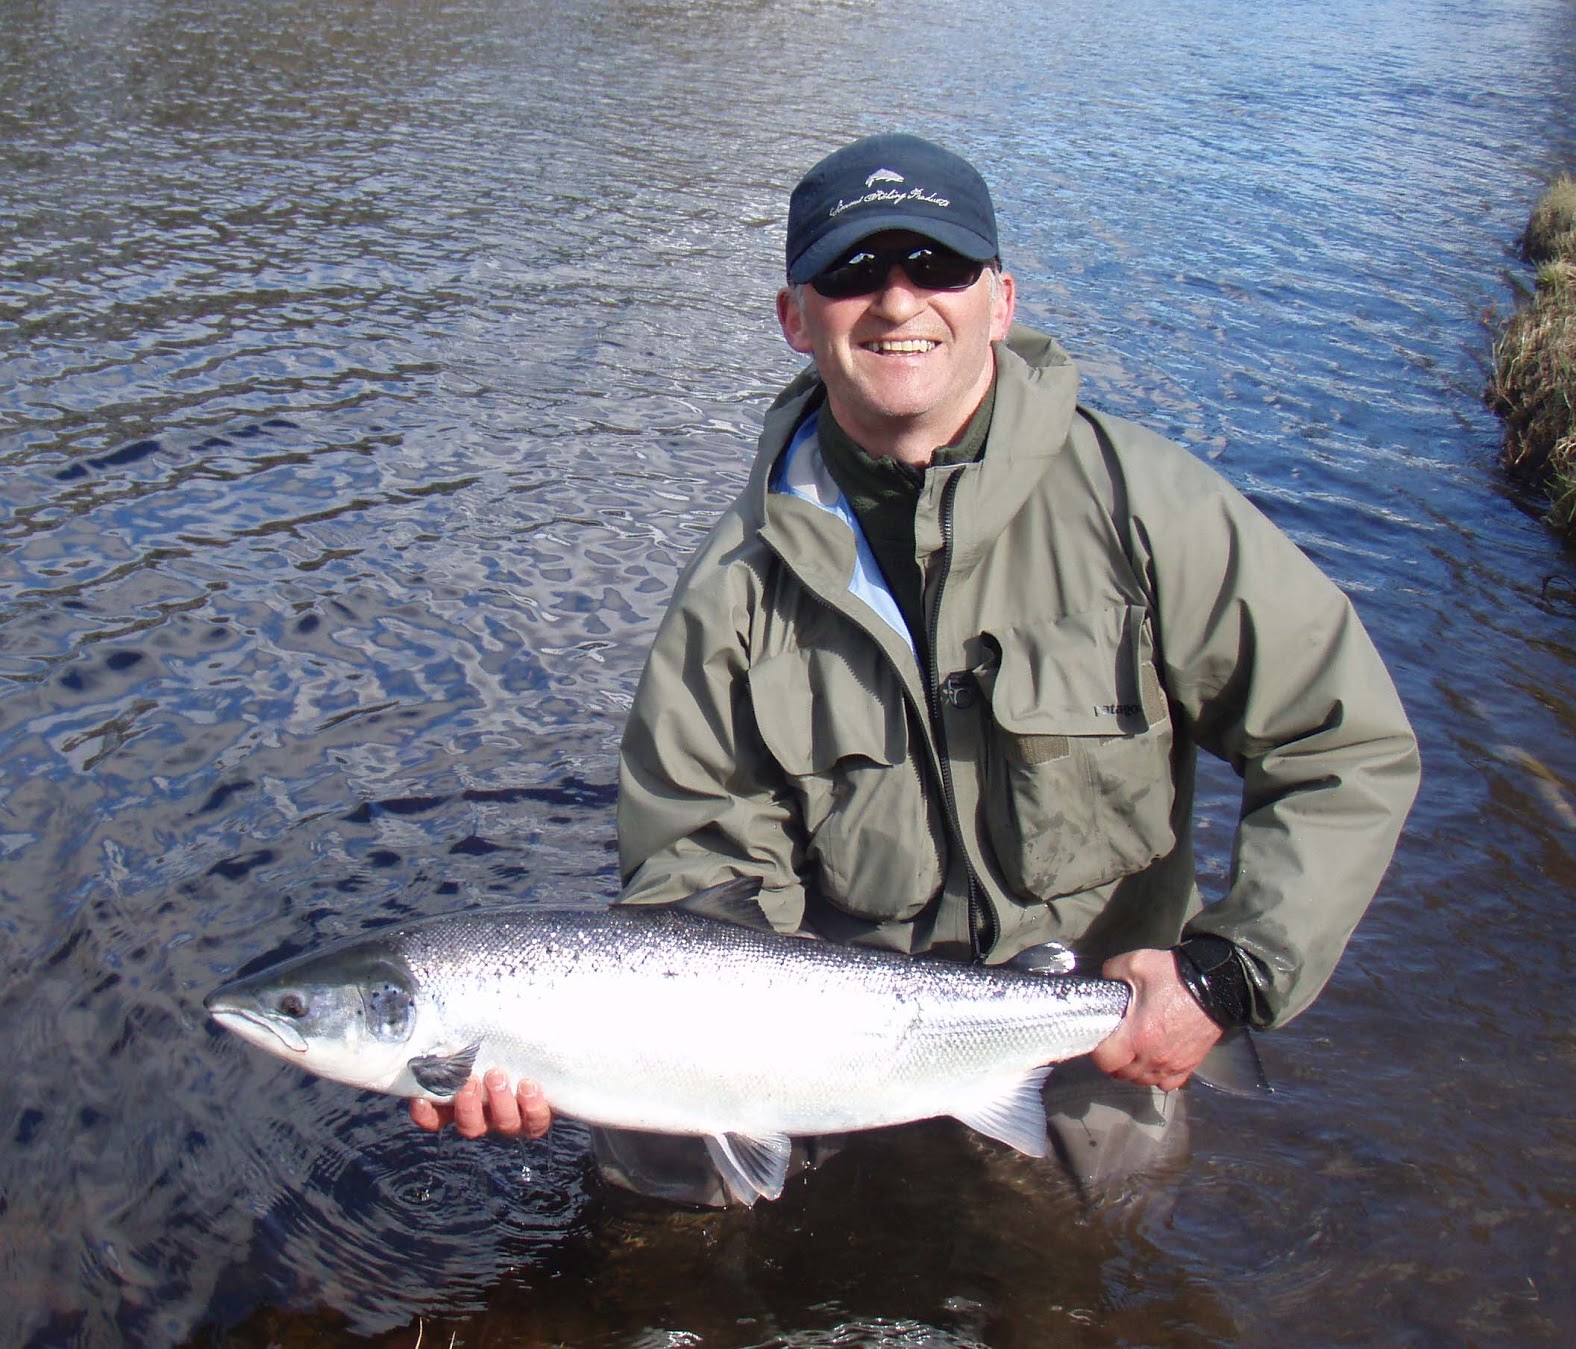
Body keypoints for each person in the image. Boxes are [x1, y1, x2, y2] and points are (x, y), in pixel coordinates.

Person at [411, 132, 1421, 1202]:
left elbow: (1342, 745)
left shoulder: (1149, 511)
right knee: (652, 1159)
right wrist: (568, 1053)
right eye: (852, 274)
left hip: (1090, 1018)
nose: (898, 304)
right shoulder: (731, 591)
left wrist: (1223, 973)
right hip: (824, 1035)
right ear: (794, 318)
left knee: (1100, 1233)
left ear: (1001, 298)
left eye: (935, 266)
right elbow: (694, 870)